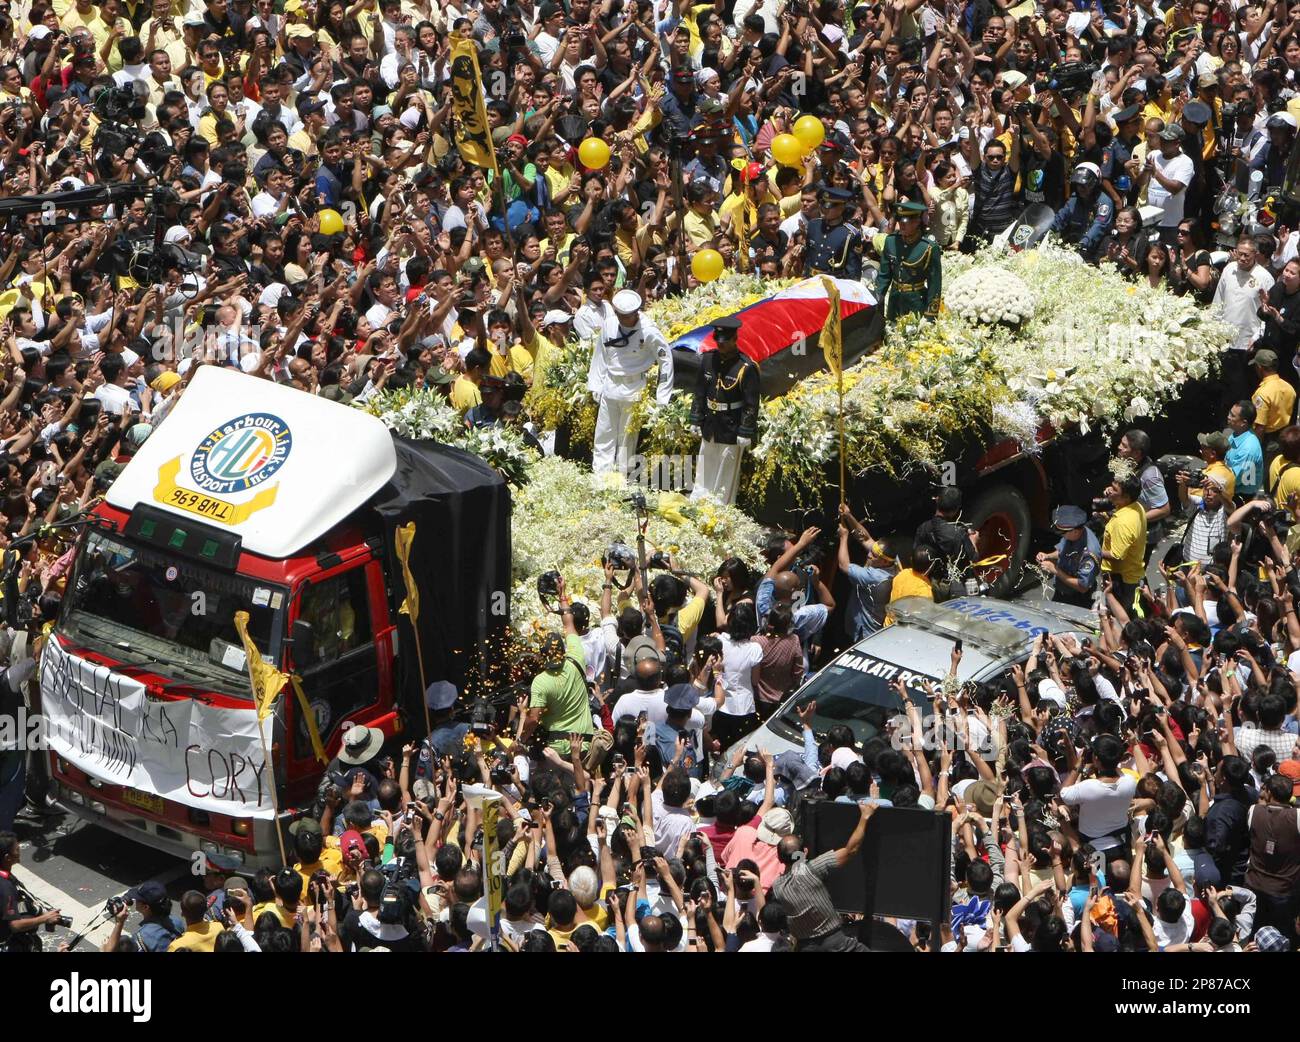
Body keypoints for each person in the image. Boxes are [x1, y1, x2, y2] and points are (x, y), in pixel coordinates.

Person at [586, 289, 673, 476]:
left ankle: (622, 477)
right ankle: (601, 476)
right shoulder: (609, 325)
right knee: (604, 432)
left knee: (627, 436)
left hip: (634, 386)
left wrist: (662, 395)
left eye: (628, 316)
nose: (624, 319)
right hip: (610, 384)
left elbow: (665, 360)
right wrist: (595, 384)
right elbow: (600, 355)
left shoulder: (648, 330)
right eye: (620, 315)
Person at [771, 802, 876, 951]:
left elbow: (796, 868)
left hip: (805, 947)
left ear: (780, 859)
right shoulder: (813, 869)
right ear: (805, 852)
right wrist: (865, 817)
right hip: (837, 944)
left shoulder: (777, 888)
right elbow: (851, 850)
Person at [689, 315, 760, 505]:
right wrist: (696, 419)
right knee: (705, 466)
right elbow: (700, 391)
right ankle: (699, 501)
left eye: (725, 342)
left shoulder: (745, 367)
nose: (720, 345)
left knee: (725, 471)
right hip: (711, 423)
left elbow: (751, 403)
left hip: (730, 425)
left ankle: (720, 510)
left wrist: (745, 430)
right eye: (718, 341)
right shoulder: (708, 360)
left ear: (735, 339)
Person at [874, 199, 942, 320]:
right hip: (894, 302)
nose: (901, 224)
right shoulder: (891, 241)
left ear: (917, 221)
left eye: (905, 220)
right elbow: (884, 275)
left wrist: (930, 316)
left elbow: (934, 284)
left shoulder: (928, 247)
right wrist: (876, 299)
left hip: (916, 302)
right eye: (900, 220)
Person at [912, 487, 978, 599]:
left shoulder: (922, 528)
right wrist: (973, 540)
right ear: (956, 509)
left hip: (932, 585)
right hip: (956, 588)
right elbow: (973, 558)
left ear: (937, 500)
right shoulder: (958, 534)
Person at [1035, 505, 1101, 608]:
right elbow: (1063, 551)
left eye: (1063, 533)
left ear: (1075, 531)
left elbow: (1082, 586)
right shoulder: (1072, 534)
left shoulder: (1089, 553)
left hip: (1078, 600)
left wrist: (1055, 570)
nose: (1061, 535)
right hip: (1062, 591)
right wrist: (1047, 556)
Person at [1099, 474, 1148, 613]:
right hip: (1134, 573)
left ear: (1126, 497)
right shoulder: (1136, 506)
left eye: (1114, 489)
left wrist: (1094, 551)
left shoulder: (1122, 522)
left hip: (1122, 581)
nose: (1109, 490)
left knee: (1117, 617)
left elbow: (1117, 555)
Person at [1049, 163, 1115, 262]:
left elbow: (1099, 225)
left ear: (1095, 184)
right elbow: (1061, 217)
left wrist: (1083, 242)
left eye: (1086, 185)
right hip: (1074, 247)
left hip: (1095, 249)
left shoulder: (1104, 202)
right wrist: (1047, 229)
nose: (1081, 188)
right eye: (1078, 184)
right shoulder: (1074, 198)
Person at [802, 184, 863, 279]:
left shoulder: (849, 234)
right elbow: (808, 258)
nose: (824, 208)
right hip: (810, 282)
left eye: (829, 205)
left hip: (833, 286)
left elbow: (853, 272)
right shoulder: (813, 225)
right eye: (823, 204)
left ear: (842, 207)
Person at [1250, 349, 1297, 462]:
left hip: (1268, 442)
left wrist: (1253, 451)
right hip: (1286, 438)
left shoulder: (1262, 393)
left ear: (1260, 367)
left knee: (1265, 476)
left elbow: (1260, 427)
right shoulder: (1289, 387)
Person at [1225, 399, 1265, 498]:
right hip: (1230, 490)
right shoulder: (1235, 434)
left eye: (1233, 416)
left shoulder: (1248, 448)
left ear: (1243, 423)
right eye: (1229, 413)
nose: (1228, 417)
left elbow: (1234, 479)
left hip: (1241, 497)